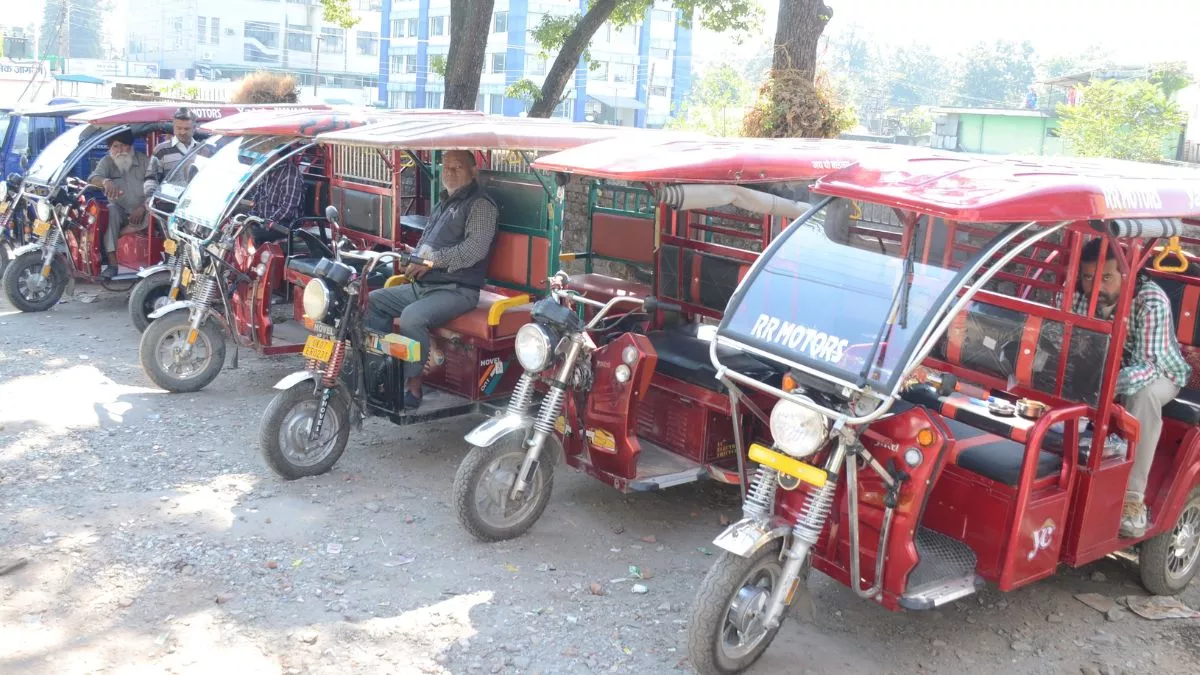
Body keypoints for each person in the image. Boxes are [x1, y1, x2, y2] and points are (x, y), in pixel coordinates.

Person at [1073, 238, 1191, 537]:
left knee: (1143, 396)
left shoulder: (1151, 301)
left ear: (1127, 275)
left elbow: (1149, 366)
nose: (1096, 287)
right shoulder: (1080, 297)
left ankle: (1132, 499)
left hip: (1160, 372)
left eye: (1107, 278)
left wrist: (1105, 385)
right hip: (1106, 370)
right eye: (1088, 277)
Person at [364, 150, 498, 410]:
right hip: (426, 285)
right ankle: (381, 373)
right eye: (446, 167)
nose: (449, 173)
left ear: (473, 172)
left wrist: (432, 261)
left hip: (458, 289)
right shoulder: (443, 202)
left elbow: (475, 249)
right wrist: (412, 260)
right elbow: (425, 243)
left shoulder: (481, 205)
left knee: (412, 317)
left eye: (457, 168)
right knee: (374, 301)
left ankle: (413, 386)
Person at [88, 129, 149, 279]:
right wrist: (105, 181)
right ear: (110, 148)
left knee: (156, 212)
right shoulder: (107, 161)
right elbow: (93, 178)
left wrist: (143, 207)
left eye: (123, 145)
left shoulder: (144, 161)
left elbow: (157, 188)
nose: (120, 150)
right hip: (120, 211)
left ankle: (123, 232)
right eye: (115, 146)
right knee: (111, 210)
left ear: (130, 146)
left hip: (144, 211)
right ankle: (112, 264)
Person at [244, 156, 305, 246]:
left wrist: (269, 222)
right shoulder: (270, 170)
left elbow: (288, 208)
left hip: (283, 225)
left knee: (252, 235)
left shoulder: (290, 174)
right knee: (239, 227)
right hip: (264, 220)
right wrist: (251, 216)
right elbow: (259, 197)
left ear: (278, 154)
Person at [142, 107, 198, 197]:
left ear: (194, 128)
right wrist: (151, 198)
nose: (182, 132)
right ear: (173, 126)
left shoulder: (202, 150)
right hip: (168, 203)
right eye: (179, 128)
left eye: (186, 129)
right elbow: (151, 178)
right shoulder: (161, 150)